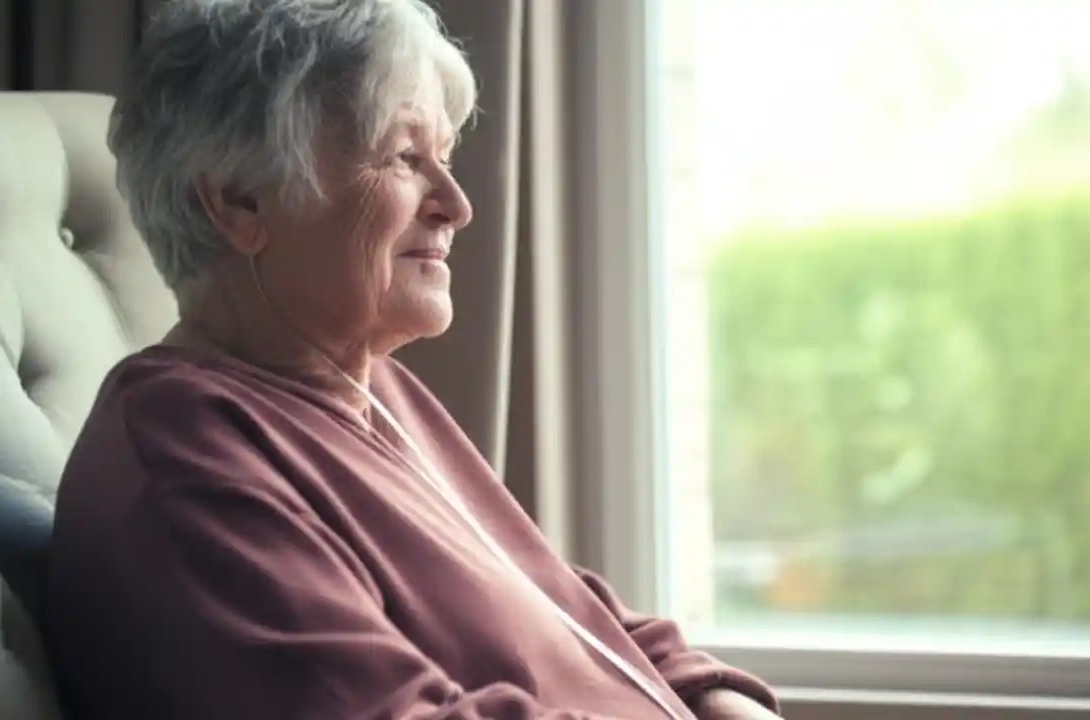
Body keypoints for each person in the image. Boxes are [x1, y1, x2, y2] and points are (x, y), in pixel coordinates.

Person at [44, 1, 781, 718]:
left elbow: (568, 611)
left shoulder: (371, 390)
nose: (456, 204)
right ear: (238, 202)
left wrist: (716, 699)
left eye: (446, 159)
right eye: (403, 157)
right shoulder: (186, 447)